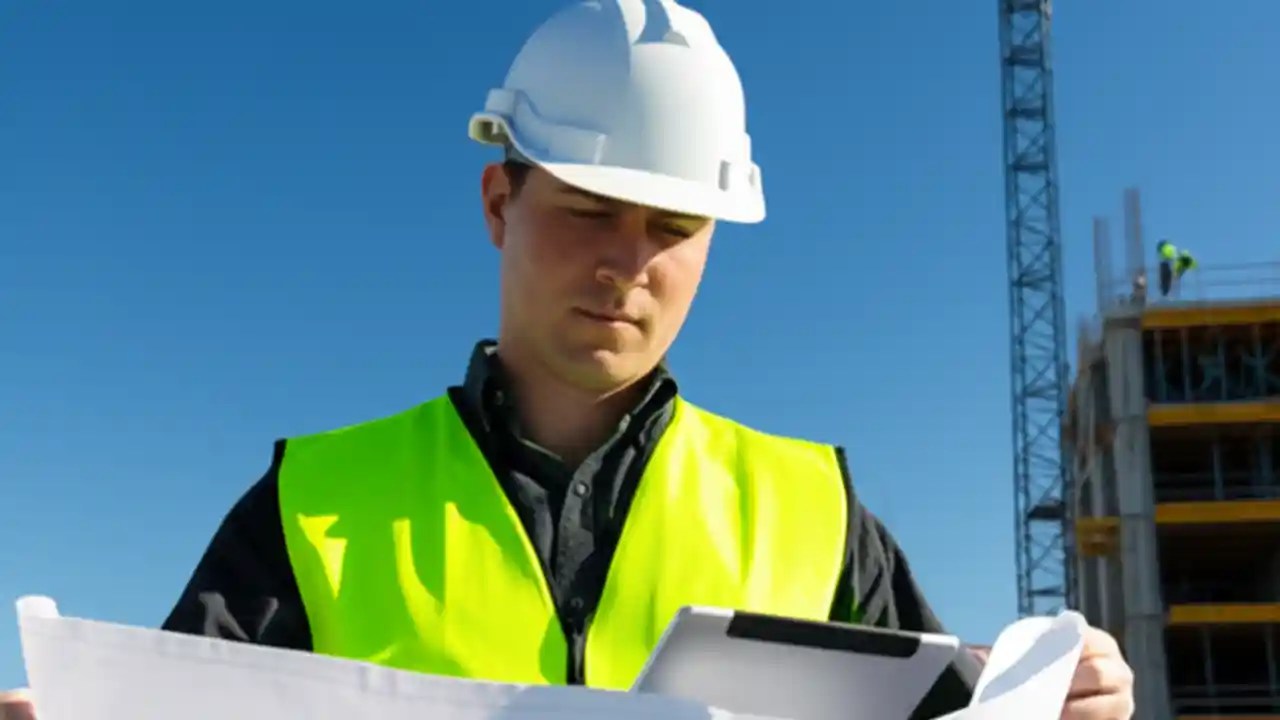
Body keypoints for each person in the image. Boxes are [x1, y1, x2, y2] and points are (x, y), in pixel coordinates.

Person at [0, 1, 1136, 719]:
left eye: (672, 232)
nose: (626, 265)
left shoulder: (816, 516)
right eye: (591, 211)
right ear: (501, 199)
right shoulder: (312, 507)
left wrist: (1061, 705)